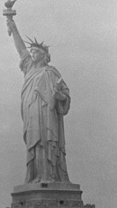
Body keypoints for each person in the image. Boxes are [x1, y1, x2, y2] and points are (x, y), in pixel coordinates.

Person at [7, 17, 71, 184]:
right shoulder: (28, 67)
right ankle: (34, 176)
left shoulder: (51, 72)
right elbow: (20, 49)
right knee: (34, 144)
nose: (32, 54)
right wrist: (12, 26)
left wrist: (59, 97)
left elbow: (65, 95)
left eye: (35, 52)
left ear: (44, 56)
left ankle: (49, 176)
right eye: (32, 52)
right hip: (31, 112)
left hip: (47, 113)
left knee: (46, 142)